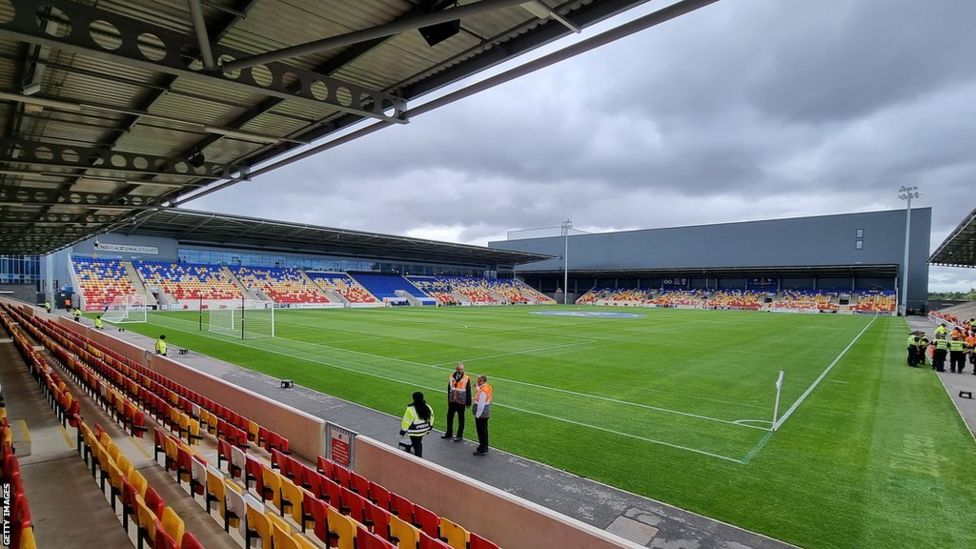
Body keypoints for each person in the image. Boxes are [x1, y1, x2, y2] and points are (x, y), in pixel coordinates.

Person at [441, 362, 471, 442]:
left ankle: (459, 435)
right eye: (459, 369)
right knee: (449, 417)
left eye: (461, 369)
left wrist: (468, 403)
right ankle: (449, 433)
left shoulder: (466, 377)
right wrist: (448, 399)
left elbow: (468, 390)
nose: (460, 370)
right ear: (456, 369)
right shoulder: (452, 376)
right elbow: (449, 388)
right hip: (452, 401)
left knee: (461, 419)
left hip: (461, 401)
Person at [399, 391, 434, 458]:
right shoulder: (428, 406)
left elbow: (406, 421)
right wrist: (430, 427)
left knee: (417, 444)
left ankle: (418, 458)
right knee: (418, 442)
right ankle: (418, 455)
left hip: (414, 431)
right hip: (425, 429)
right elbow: (432, 417)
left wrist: (403, 431)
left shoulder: (410, 409)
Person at [472, 375, 493, 457]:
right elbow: (480, 393)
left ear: (483, 381)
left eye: (479, 380)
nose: (477, 381)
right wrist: (477, 387)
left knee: (481, 431)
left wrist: (477, 415)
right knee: (484, 430)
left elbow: (481, 404)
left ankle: (483, 448)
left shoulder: (483, 390)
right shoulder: (488, 387)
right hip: (486, 412)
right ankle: (484, 446)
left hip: (482, 414)